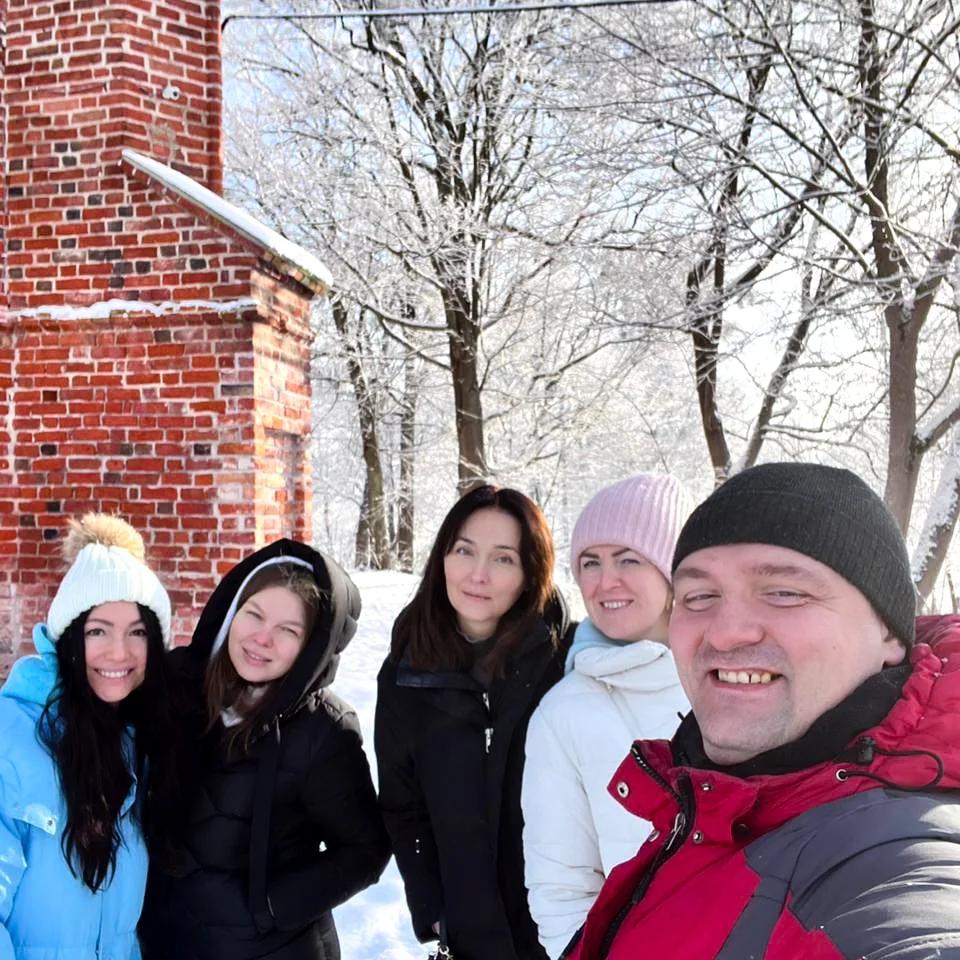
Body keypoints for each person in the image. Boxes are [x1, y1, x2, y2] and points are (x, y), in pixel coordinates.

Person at [563, 462, 960, 960]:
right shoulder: (705, 808)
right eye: (699, 595)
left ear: (887, 631)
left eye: (785, 593)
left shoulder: (900, 864)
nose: (727, 632)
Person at [139, 539, 389, 960]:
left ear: (311, 647)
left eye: (288, 631)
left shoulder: (323, 731)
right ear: (231, 612)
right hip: (164, 944)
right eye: (253, 614)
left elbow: (366, 849)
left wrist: (271, 908)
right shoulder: (177, 687)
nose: (262, 638)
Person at [375, 484, 569, 960]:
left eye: (503, 558)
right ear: (442, 556)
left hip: (559, 930)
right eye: (465, 550)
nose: (478, 574)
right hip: (468, 932)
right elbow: (404, 807)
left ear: (530, 573)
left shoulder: (563, 666)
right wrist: (433, 905)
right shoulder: (406, 672)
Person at [522, 474, 691, 958]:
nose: (604, 581)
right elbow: (562, 894)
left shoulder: (737, 678)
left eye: (628, 559)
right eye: (590, 562)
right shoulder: (565, 712)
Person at [0, 513, 175, 959]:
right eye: (98, 631)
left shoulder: (138, 743)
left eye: (138, 632)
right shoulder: (12, 735)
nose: (120, 652)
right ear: (68, 638)